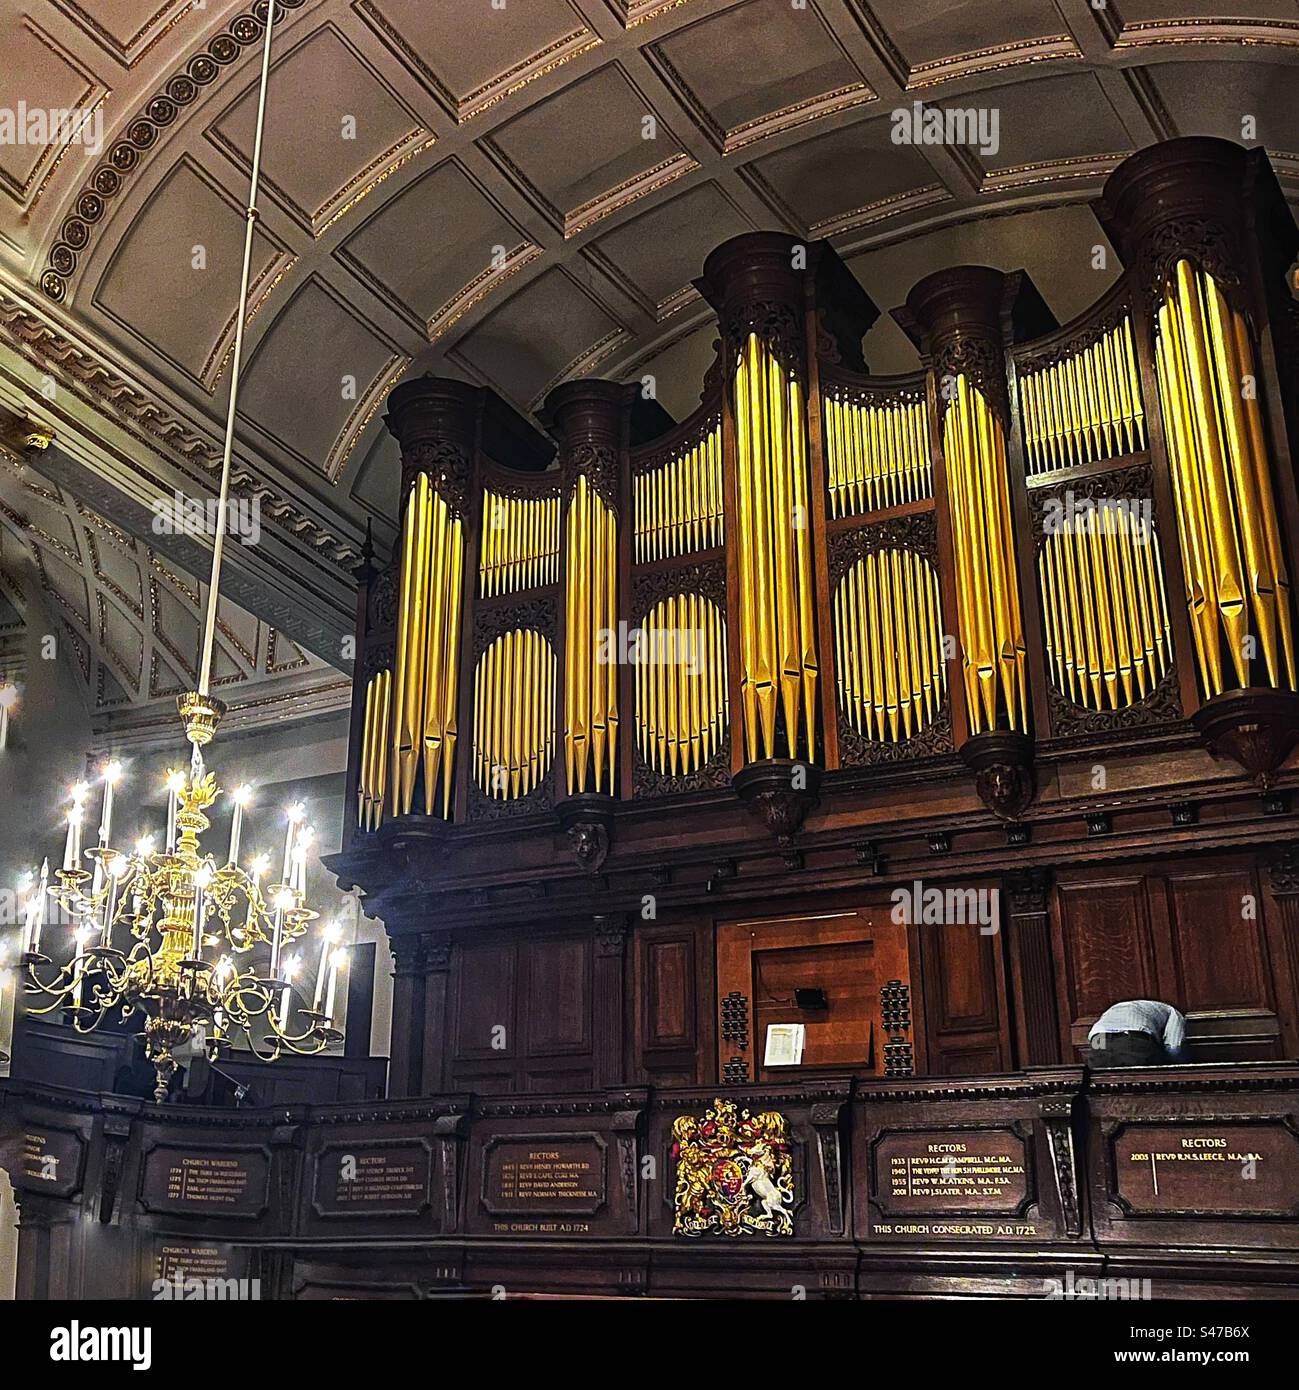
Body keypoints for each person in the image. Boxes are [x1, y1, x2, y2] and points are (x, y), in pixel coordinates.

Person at [1087, 999, 1187, 1067]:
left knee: (1099, 1080)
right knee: (1137, 1084)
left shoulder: (1118, 1007)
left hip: (1098, 1036)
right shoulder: (1172, 1011)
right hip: (1131, 1037)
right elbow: (1175, 1048)